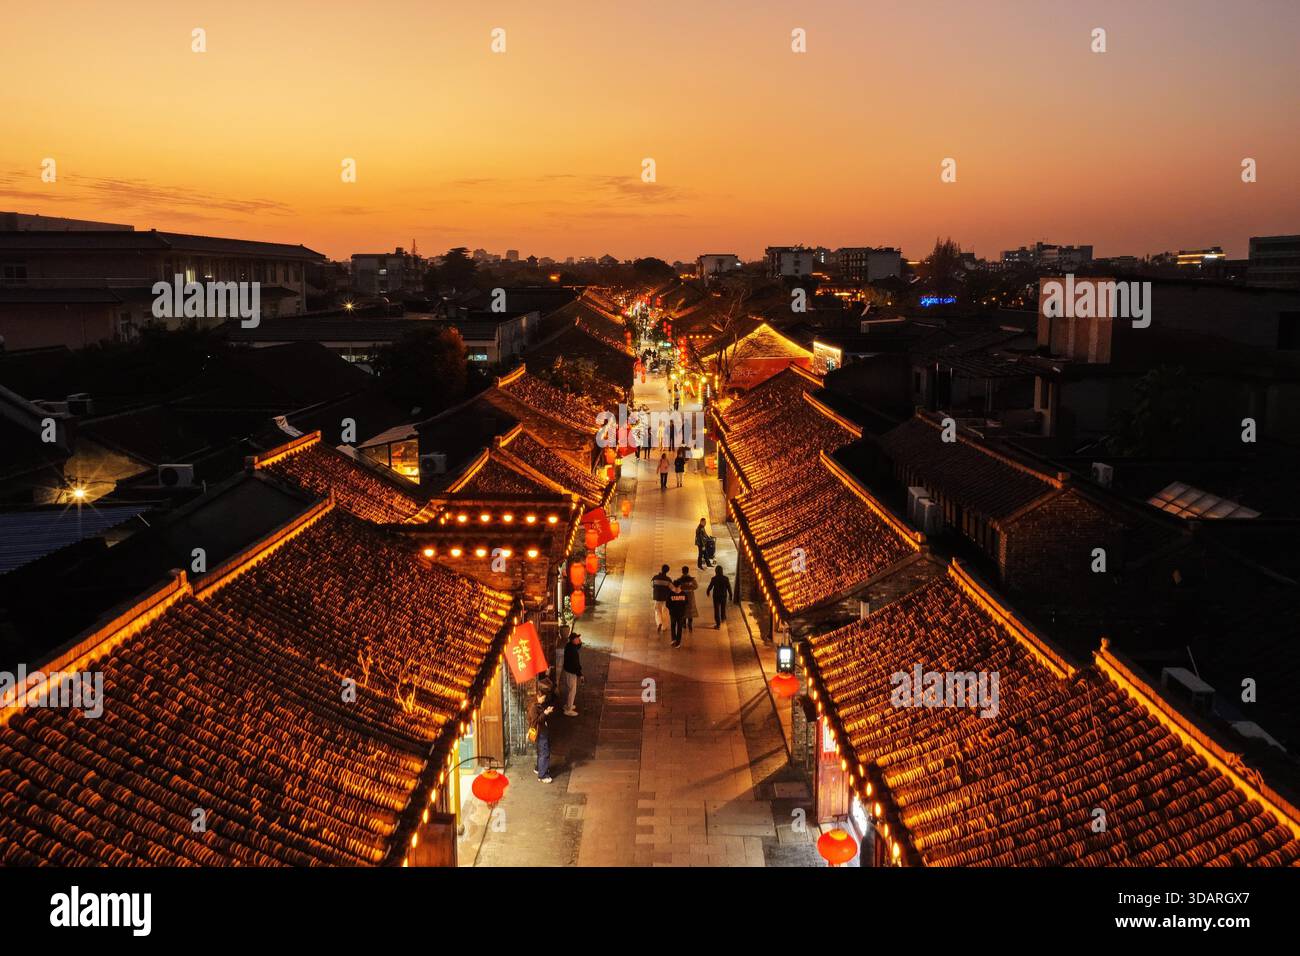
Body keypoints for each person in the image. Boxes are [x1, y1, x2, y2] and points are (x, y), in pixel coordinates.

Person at [527, 680, 556, 783]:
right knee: (544, 752)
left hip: (543, 731)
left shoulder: (536, 704)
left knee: (541, 751)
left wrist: (545, 711)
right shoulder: (533, 707)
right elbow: (536, 721)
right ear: (539, 696)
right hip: (541, 732)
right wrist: (545, 713)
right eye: (543, 698)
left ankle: (539, 768)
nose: (544, 700)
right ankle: (543, 775)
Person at [562, 631, 583, 716]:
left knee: (569, 688)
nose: (579, 639)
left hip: (567, 670)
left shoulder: (569, 646)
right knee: (572, 691)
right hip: (571, 672)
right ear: (573, 640)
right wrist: (580, 674)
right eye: (577, 638)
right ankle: (568, 709)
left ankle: (568, 705)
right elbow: (576, 664)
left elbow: (577, 647)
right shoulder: (573, 651)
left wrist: (580, 643)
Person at [675, 566, 698, 633]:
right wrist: (690, 587)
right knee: (690, 610)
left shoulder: (679, 579)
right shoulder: (692, 579)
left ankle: (684, 624)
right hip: (690, 596)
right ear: (688, 571)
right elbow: (696, 586)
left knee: (683, 609)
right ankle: (690, 624)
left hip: (682, 597)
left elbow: (676, 587)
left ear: (682, 571)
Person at [652, 564, 673, 632]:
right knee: (665, 611)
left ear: (661, 569)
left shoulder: (655, 578)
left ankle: (659, 623)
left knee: (657, 611)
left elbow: (652, 585)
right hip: (666, 598)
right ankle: (664, 627)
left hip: (657, 597)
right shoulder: (668, 580)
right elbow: (672, 588)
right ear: (667, 571)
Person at [666, 580, 688, 647]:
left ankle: (673, 639)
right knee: (679, 627)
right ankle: (678, 643)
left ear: (674, 585)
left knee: (673, 626)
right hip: (681, 613)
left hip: (673, 613)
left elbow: (667, 604)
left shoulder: (670, 594)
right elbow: (686, 603)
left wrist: (671, 609)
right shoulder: (684, 593)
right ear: (680, 585)